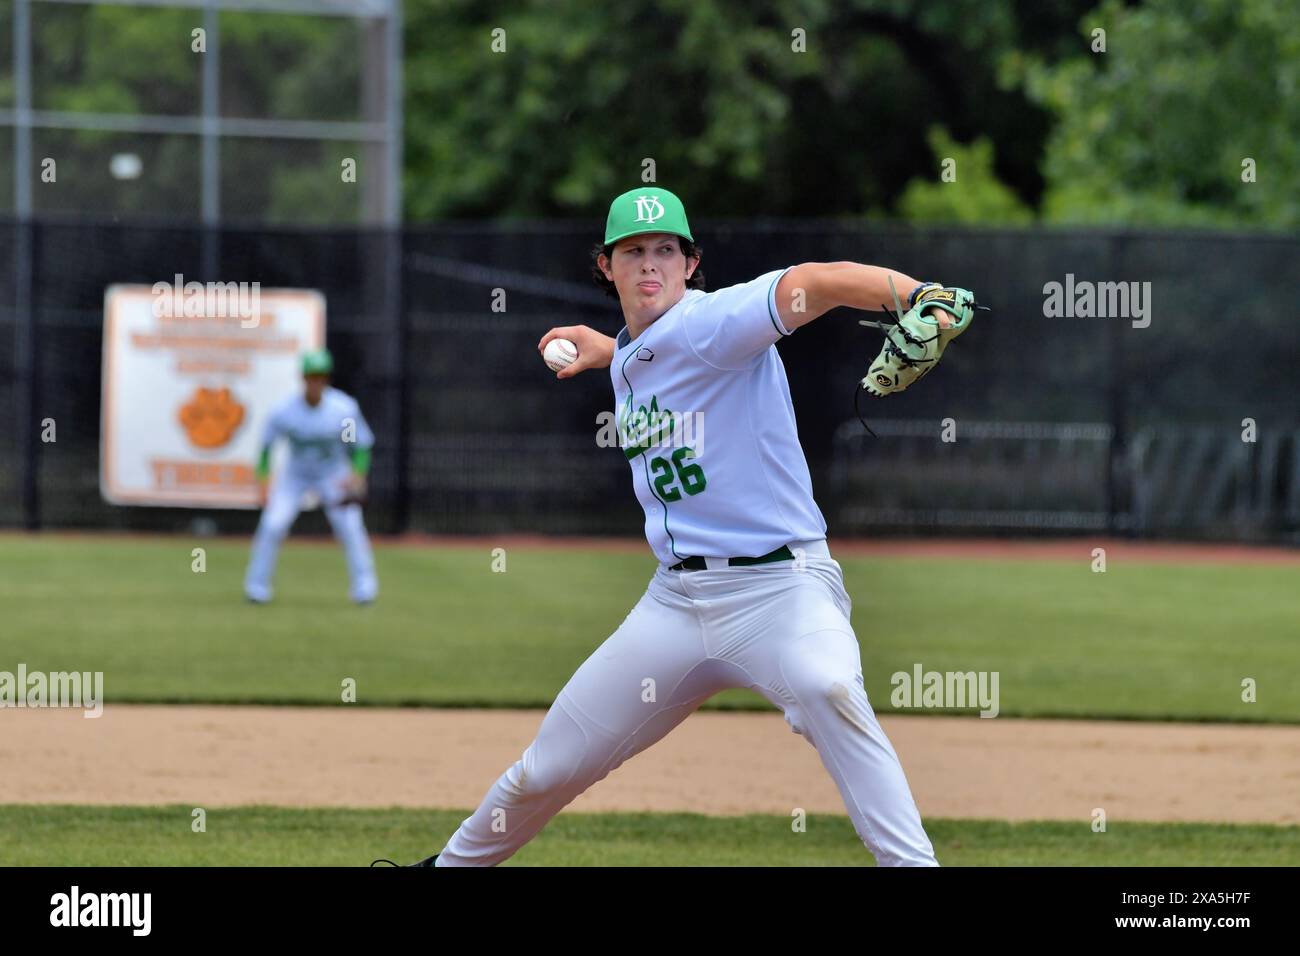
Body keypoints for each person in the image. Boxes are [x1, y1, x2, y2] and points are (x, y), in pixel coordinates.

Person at [386, 187, 976, 867]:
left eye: (666, 250)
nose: (650, 264)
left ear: (692, 263)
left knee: (829, 687)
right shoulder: (639, 350)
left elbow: (818, 283)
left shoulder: (717, 321)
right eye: (632, 251)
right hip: (675, 605)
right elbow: (656, 356)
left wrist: (920, 295)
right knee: (546, 769)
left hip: (780, 591)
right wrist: (608, 350)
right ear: (605, 266)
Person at [243, 348, 378, 605]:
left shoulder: (342, 410)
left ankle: (365, 589)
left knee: (350, 525)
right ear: (303, 378)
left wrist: (357, 474)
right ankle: (256, 589)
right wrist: (263, 481)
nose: (315, 381)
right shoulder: (285, 411)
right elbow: (266, 448)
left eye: (320, 376)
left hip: (332, 473)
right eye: (311, 376)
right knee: (273, 524)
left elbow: (359, 446)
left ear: (326, 379)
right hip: (296, 475)